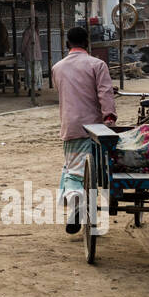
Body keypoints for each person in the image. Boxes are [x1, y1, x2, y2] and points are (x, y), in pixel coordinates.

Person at [50, 25, 116, 234]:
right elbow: (105, 93)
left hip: (71, 127)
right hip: (95, 128)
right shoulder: (97, 64)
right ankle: (84, 208)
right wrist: (109, 117)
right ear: (87, 42)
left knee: (73, 171)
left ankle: (75, 208)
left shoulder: (57, 68)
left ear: (67, 44)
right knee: (93, 172)